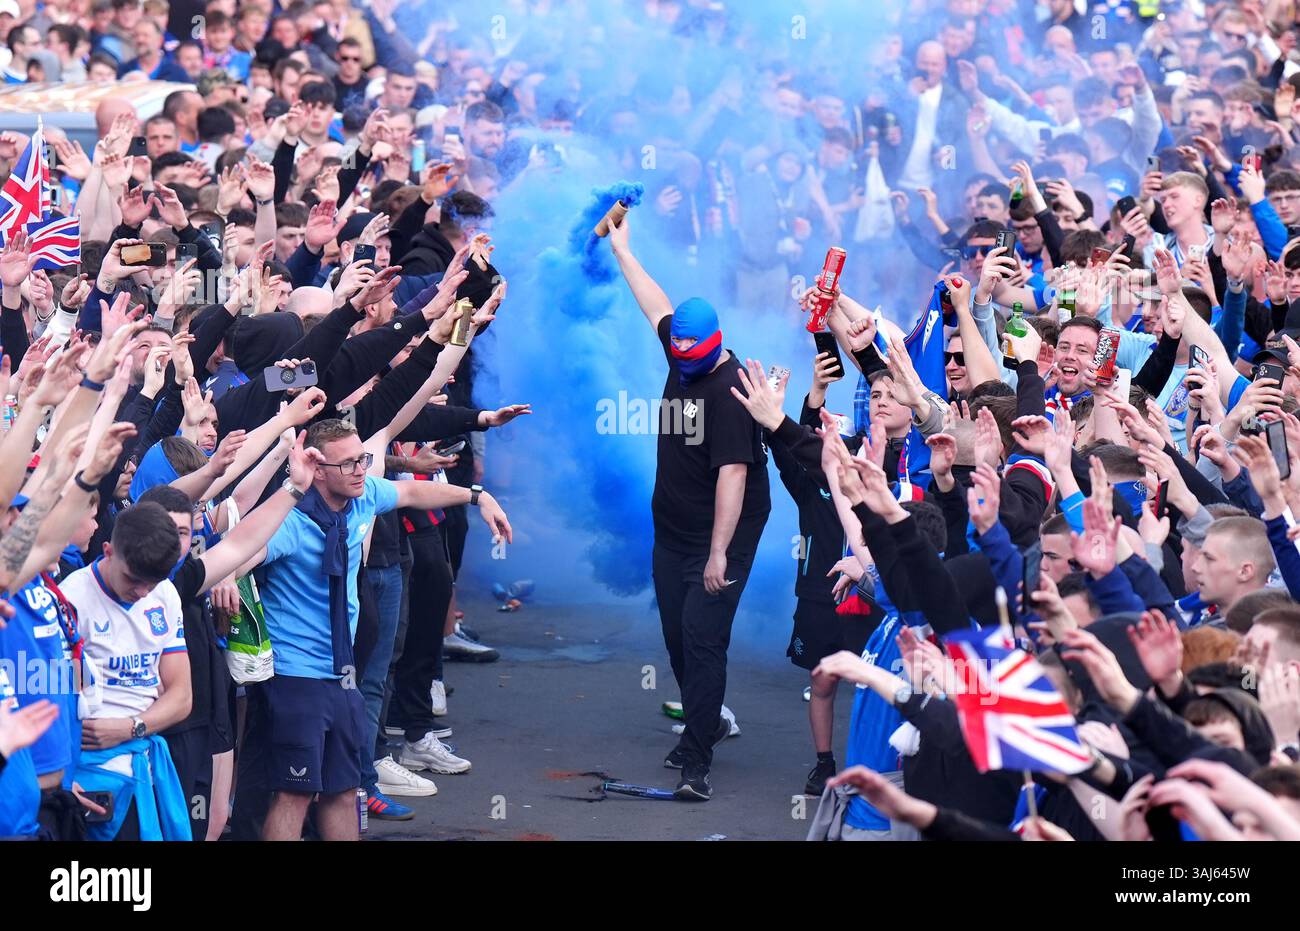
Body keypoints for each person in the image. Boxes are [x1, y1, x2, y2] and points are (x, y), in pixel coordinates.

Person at [609, 215, 770, 801]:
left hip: (721, 533)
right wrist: (623, 249)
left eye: (692, 359)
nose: (683, 366)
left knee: (704, 638)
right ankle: (710, 719)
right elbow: (654, 303)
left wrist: (718, 555)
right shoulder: (680, 350)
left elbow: (733, 476)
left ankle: (697, 760)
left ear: (716, 344)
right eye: (677, 356)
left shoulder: (729, 391)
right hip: (672, 529)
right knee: (678, 636)